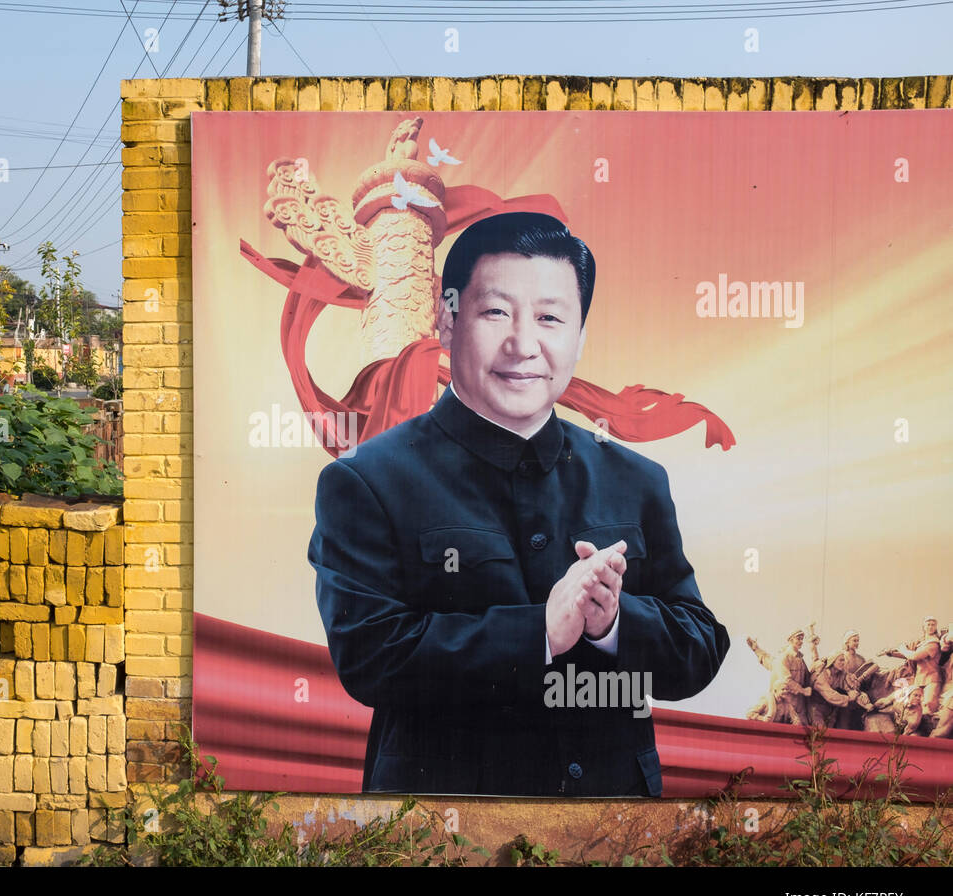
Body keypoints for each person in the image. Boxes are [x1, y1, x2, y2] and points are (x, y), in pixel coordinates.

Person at [307, 212, 730, 797]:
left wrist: (612, 623)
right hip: (443, 837)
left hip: (614, 830)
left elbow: (698, 649)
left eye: (551, 318)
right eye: (496, 313)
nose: (523, 345)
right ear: (447, 321)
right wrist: (541, 634)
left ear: (580, 337)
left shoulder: (637, 480)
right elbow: (371, 658)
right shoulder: (368, 481)